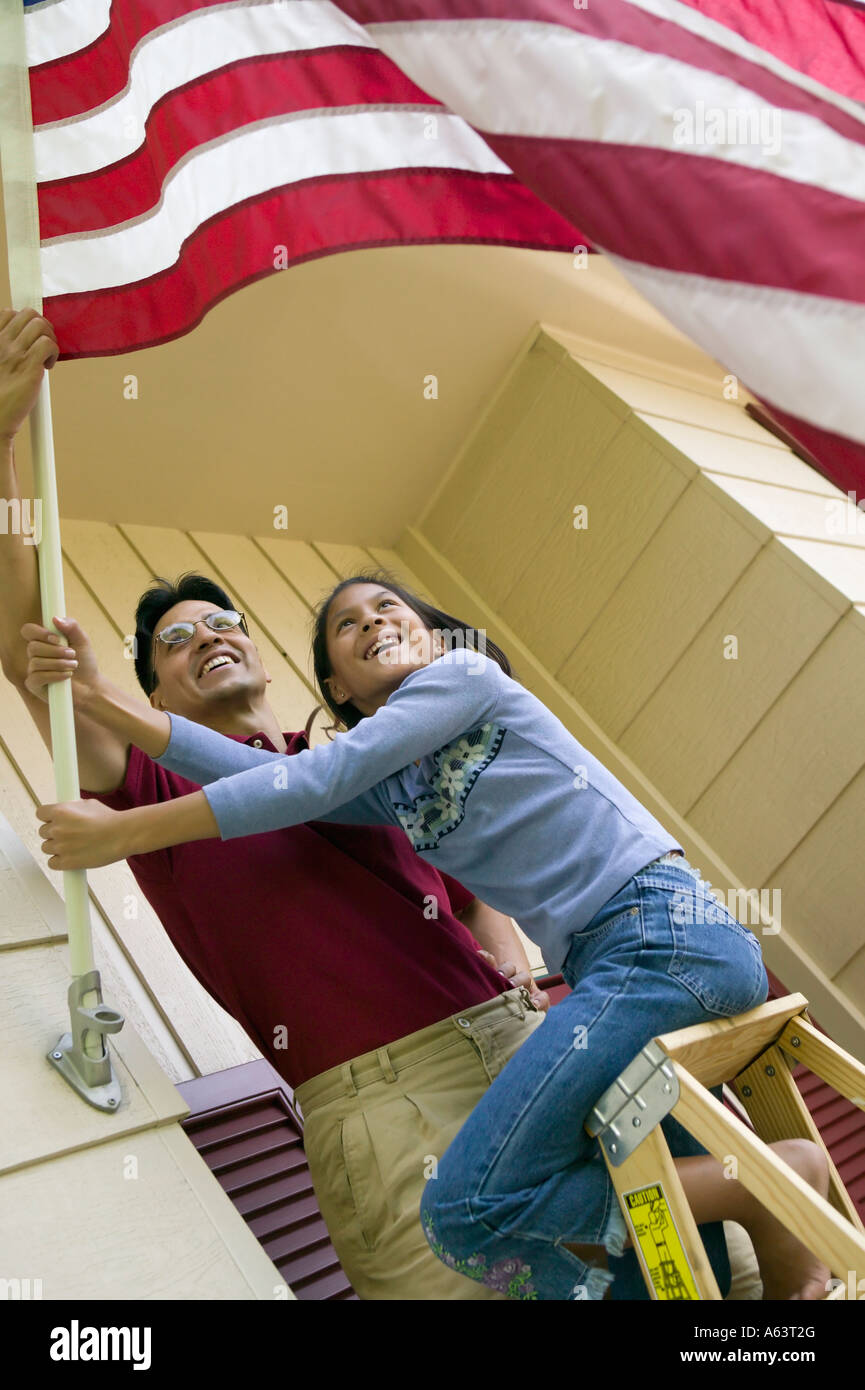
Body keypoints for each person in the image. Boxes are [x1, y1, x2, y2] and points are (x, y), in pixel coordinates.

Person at [33, 574, 830, 1300]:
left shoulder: (461, 678)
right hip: (614, 961)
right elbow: (276, 786)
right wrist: (99, 696)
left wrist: (120, 835)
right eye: (345, 623)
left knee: (468, 1211)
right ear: (335, 687)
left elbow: (307, 782)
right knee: (592, 1180)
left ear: (438, 638)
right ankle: (769, 1235)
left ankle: (769, 1184)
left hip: (655, 938)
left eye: (388, 607)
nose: (372, 618)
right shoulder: (392, 788)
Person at [0, 306, 552, 1301]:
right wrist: (3, 444)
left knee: (677, 1272)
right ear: (154, 697)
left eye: (224, 619)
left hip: (512, 1043)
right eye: (176, 638)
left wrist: (501, 934)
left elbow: (469, 868)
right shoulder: (149, 786)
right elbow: (24, 629)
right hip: (389, 1113)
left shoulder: (361, 757)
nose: (209, 633)